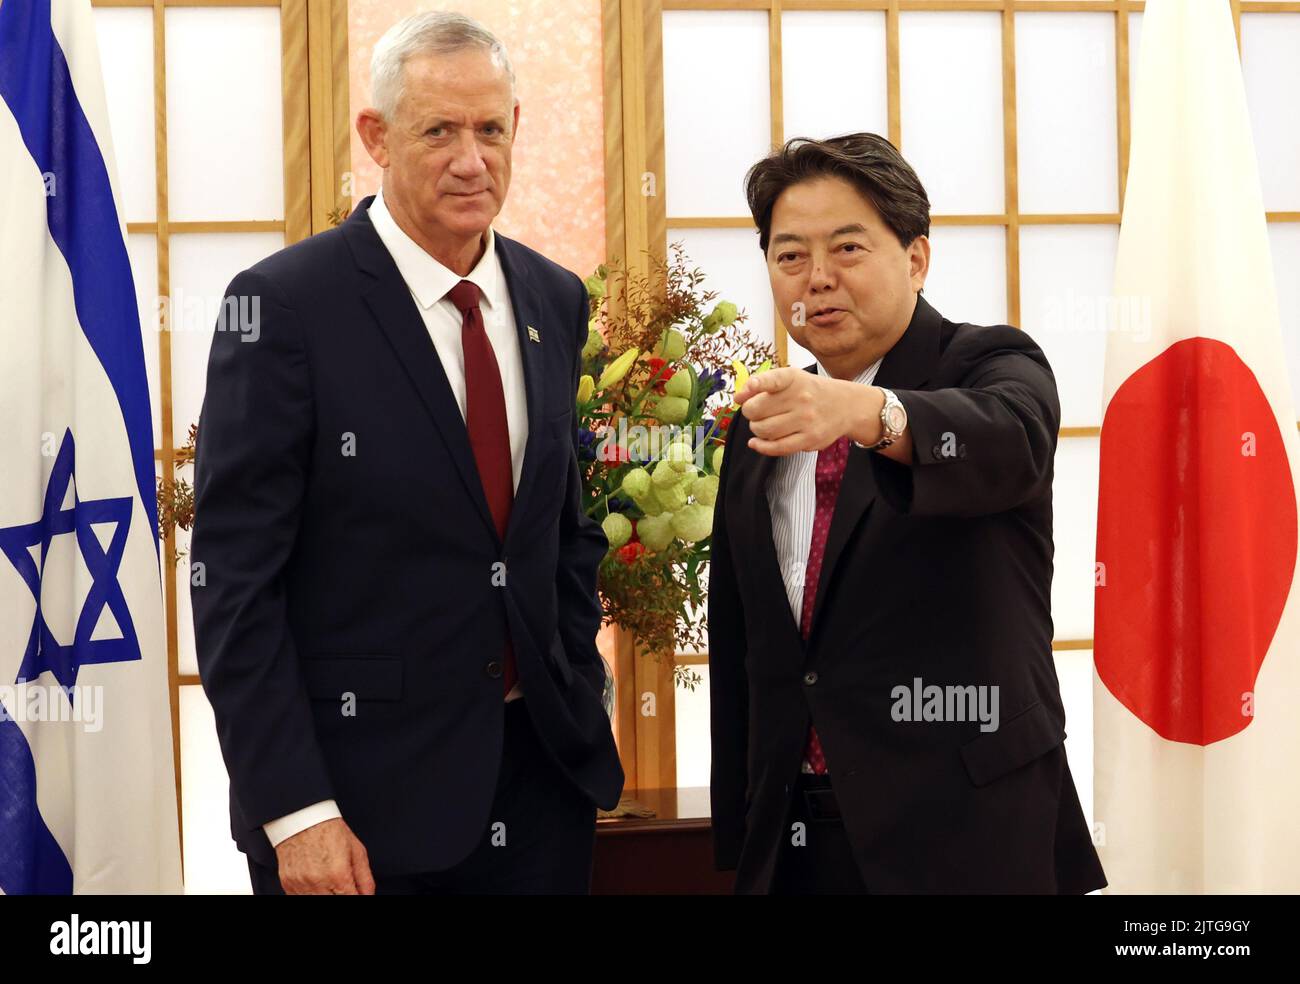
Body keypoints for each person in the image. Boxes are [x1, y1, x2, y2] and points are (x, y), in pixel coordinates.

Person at [190, 11, 622, 895]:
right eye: (440, 131)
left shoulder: (553, 295)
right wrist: (296, 811)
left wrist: (582, 683)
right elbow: (235, 583)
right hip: (356, 815)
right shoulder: (284, 306)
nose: (473, 159)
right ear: (376, 138)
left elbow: (564, 532)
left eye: (491, 129)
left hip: (542, 789)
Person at [708, 133, 1106, 894]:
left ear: (917, 259)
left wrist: (864, 414)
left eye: (847, 248)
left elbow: (1007, 440)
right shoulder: (763, 423)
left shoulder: (993, 363)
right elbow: (745, 641)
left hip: (969, 835)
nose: (817, 279)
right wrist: (744, 831)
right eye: (790, 256)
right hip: (796, 839)